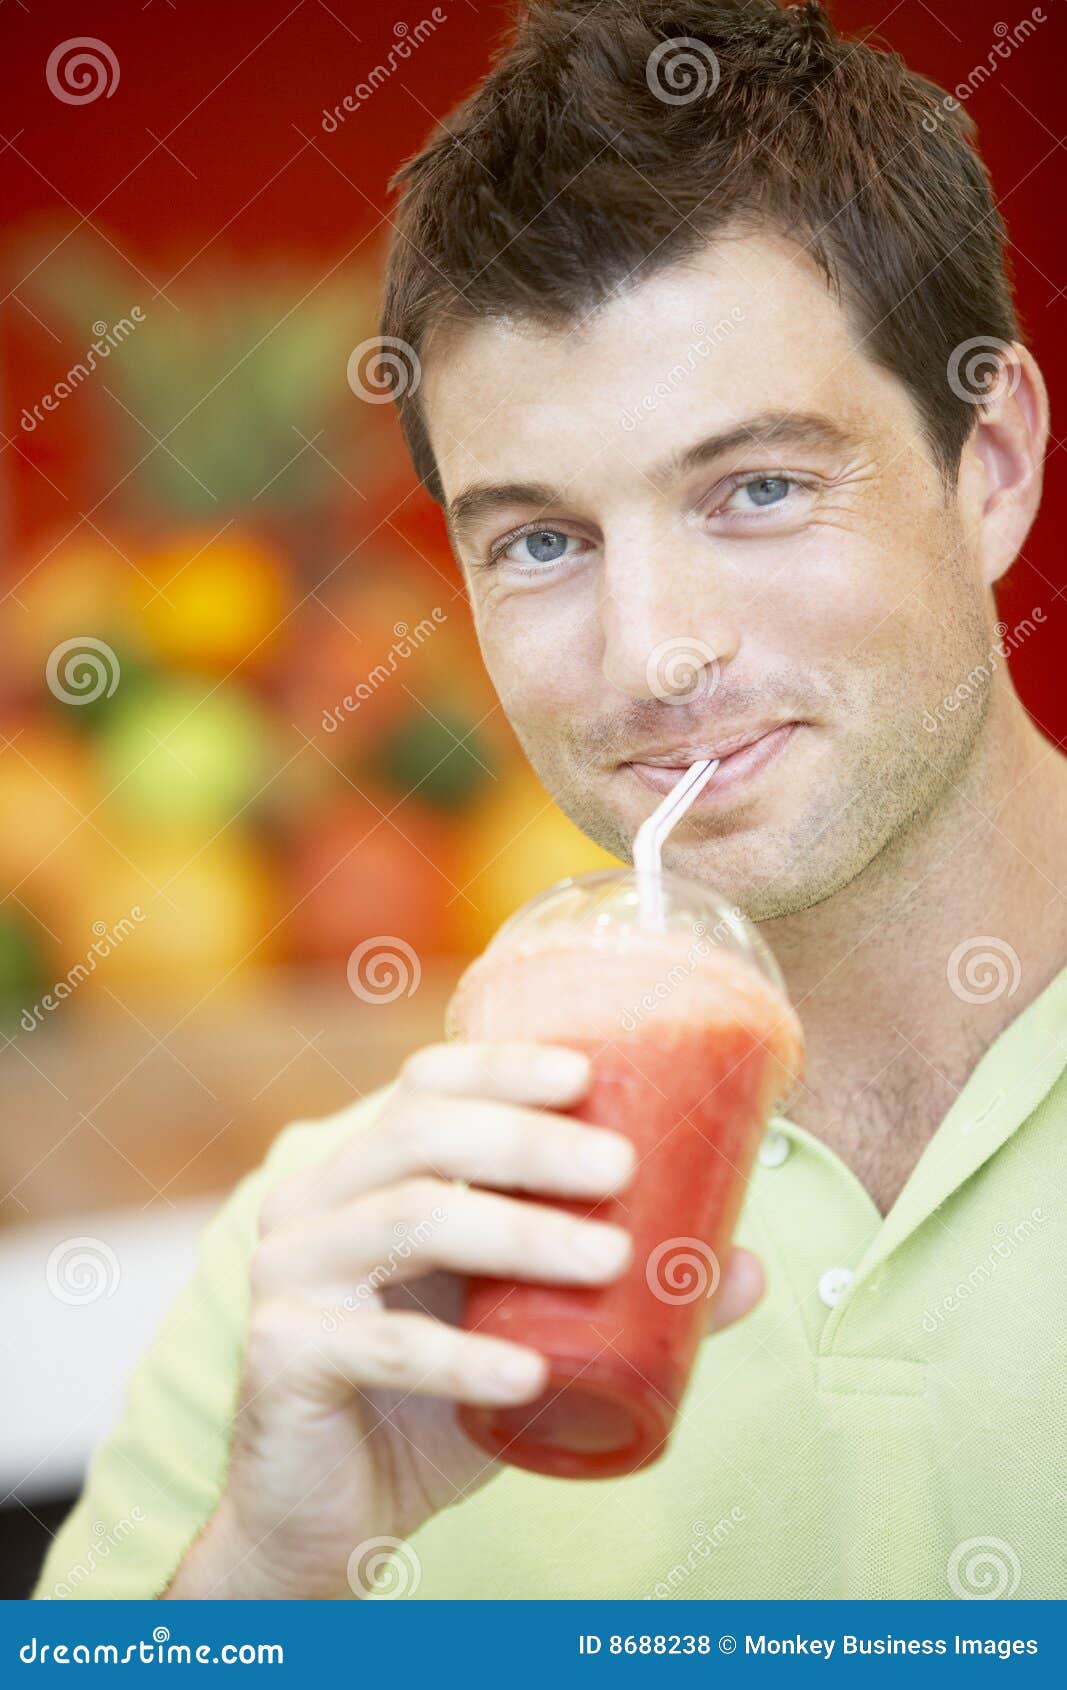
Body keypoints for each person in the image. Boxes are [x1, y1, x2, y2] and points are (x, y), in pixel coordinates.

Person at [38, 0, 1067, 1601]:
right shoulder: (335, 1266)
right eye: (539, 540)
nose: (654, 655)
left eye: (761, 488)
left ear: (990, 461)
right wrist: (277, 1565)